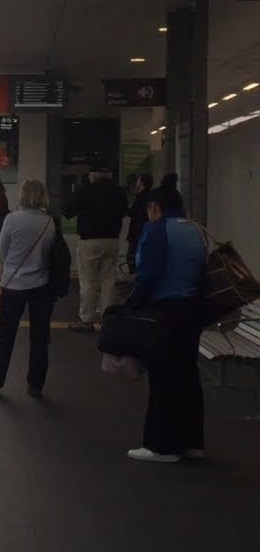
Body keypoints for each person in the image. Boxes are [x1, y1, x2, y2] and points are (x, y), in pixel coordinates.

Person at [122, 177, 208, 463]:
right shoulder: (194, 230)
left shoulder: (158, 230)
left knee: (163, 378)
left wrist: (133, 303)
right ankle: (192, 442)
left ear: (155, 207)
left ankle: (161, 446)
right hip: (192, 310)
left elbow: (149, 274)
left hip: (165, 311)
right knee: (187, 375)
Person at [0, 179, 59, 399]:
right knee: (39, 337)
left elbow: (4, 252)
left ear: (23, 195)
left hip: (14, 286)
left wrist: (15, 268)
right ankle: (35, 385)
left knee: (6, 336)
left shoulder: (11, 219)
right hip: (41, 286)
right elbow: (49, 254)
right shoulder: (49, 222)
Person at [62, 165, 129, 332]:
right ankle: (107, 319)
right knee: (109, 281)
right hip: (112, 240)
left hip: (90, 241)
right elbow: (125, 211)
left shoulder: (86, 189)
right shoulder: (118, 191)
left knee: (89, 281)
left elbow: (67, 210)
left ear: (94, 175)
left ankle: (86, 319)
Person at [125, 173, 153, 267]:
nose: (136, 183)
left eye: (138, 180)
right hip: (144, 231)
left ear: (142, 183)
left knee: (132, 259)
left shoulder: (141, 197)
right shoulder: (150, 196)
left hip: (137, 232)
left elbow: (132, 212)